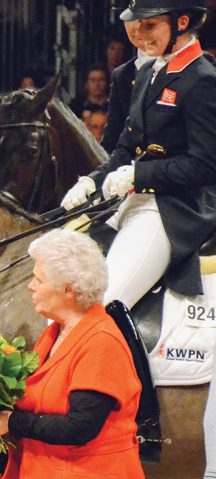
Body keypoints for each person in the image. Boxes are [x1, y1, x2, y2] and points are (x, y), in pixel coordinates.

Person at [0, 229, 150, 479]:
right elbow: (28, 407)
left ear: (69, 290)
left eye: (39, 280)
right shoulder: (52, 335)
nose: (31, 287)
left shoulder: (101, 341)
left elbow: (80, 427)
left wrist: (12, 423)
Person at [60, 0, 216, 309]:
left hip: (175, 209)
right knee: (60, 283)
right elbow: (125, 148)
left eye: (150, 25)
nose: (140, 35)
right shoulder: (147, 73)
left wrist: (138, 175)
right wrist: (93, 181)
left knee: (104, 304)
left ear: (182, 23)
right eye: (137, 26)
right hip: (133, 200)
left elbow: (206, 166)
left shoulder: (202, 79)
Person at [102, 19, 153, 153]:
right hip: (125, 164)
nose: (138, 27)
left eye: (145, 20)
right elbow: (112, 136)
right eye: (134, 19)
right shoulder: (121, 74)